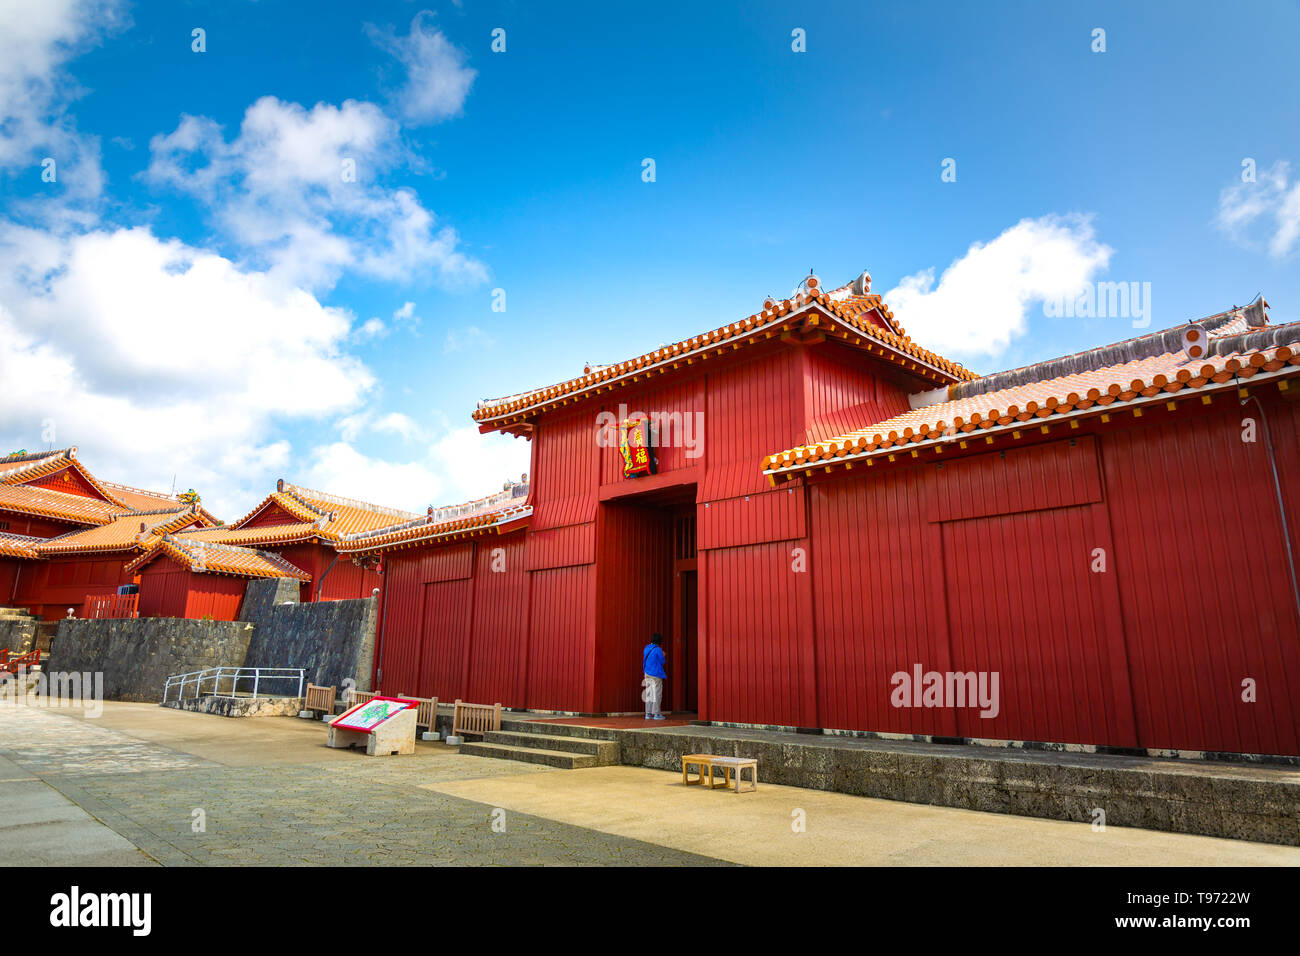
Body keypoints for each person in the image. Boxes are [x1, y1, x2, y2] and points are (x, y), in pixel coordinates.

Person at [642, 633, 667, 720]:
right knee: (657, 693)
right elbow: (662, 661)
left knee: (649, 693)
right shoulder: (658, 649)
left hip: (647, 673)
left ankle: (648, 714)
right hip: (656, 674)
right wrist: (663, 655)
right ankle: (656, 714)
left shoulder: (646, 648)